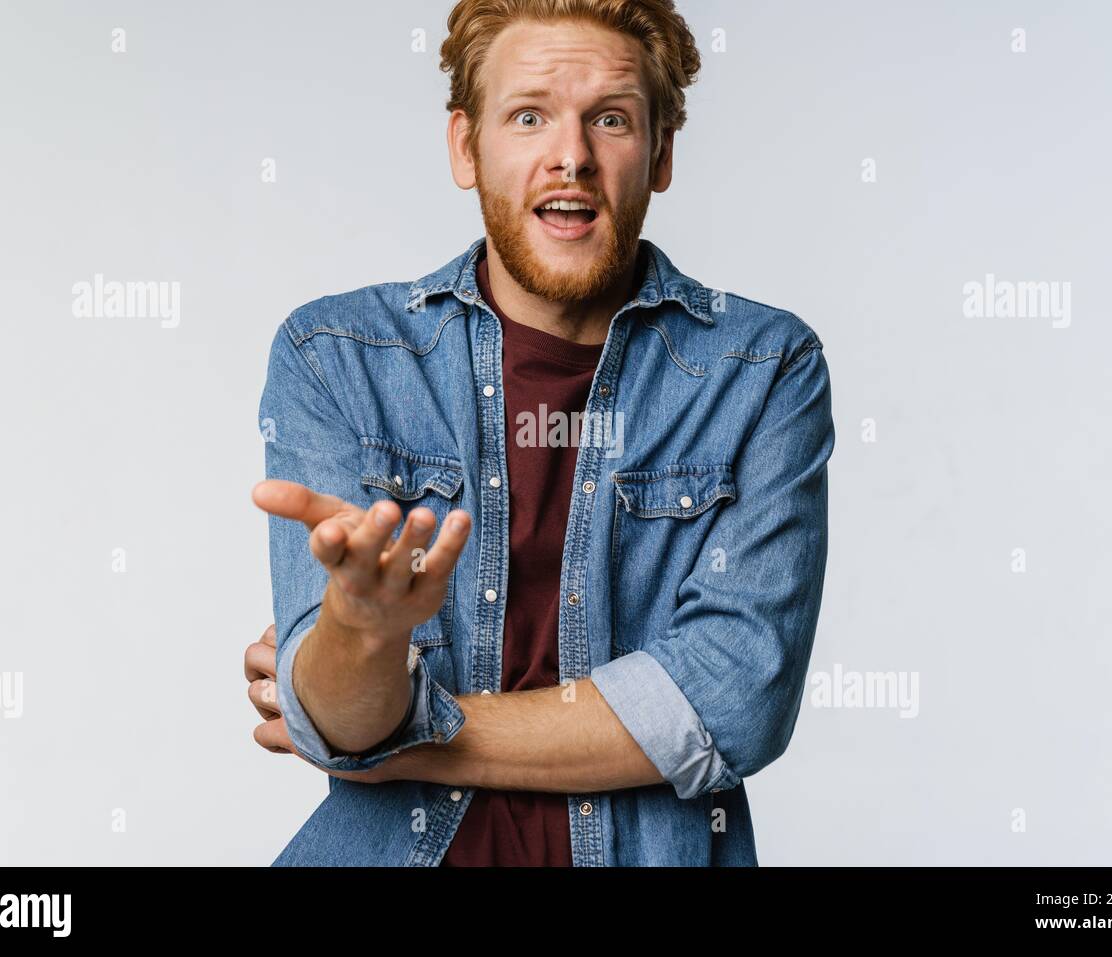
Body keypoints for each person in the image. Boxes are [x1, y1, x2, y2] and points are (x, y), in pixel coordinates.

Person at [244, 0, 834, 866]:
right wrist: (359, 633)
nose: (572, 155)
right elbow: (340, 719)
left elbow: (733, 702)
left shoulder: (762, 368)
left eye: (611, 118)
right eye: (529, 116)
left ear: (660, 153)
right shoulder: (338, 356)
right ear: (466, 147)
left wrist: (409, 730)